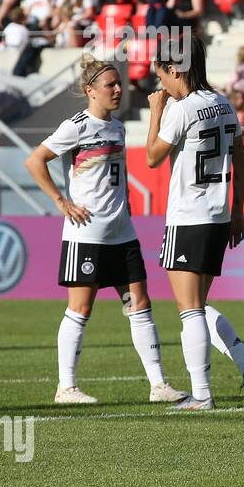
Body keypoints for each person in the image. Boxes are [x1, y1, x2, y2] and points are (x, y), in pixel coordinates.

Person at [23, 56, 188, 406]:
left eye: (118, 83)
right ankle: (66, 387)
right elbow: (35, 161)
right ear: (90, 91)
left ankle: (158, 385)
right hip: (87, 233)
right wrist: (60, 201)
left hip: (122, 232)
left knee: (140, 304)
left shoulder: (117, 127)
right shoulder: (76, 126)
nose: (118, 89)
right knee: (81, 308)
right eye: (110, 85)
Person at [144, 34, 244, 410]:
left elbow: (152, 157)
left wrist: (155, 110)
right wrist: (238, 210)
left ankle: (201, 395)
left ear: (174, 69)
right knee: (198, 303)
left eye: (162, 77)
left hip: (188, 217)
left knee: (189, 310)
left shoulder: (182, 109)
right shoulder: (224, 104)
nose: (161, 85)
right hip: (217, 216)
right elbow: (242, 161)